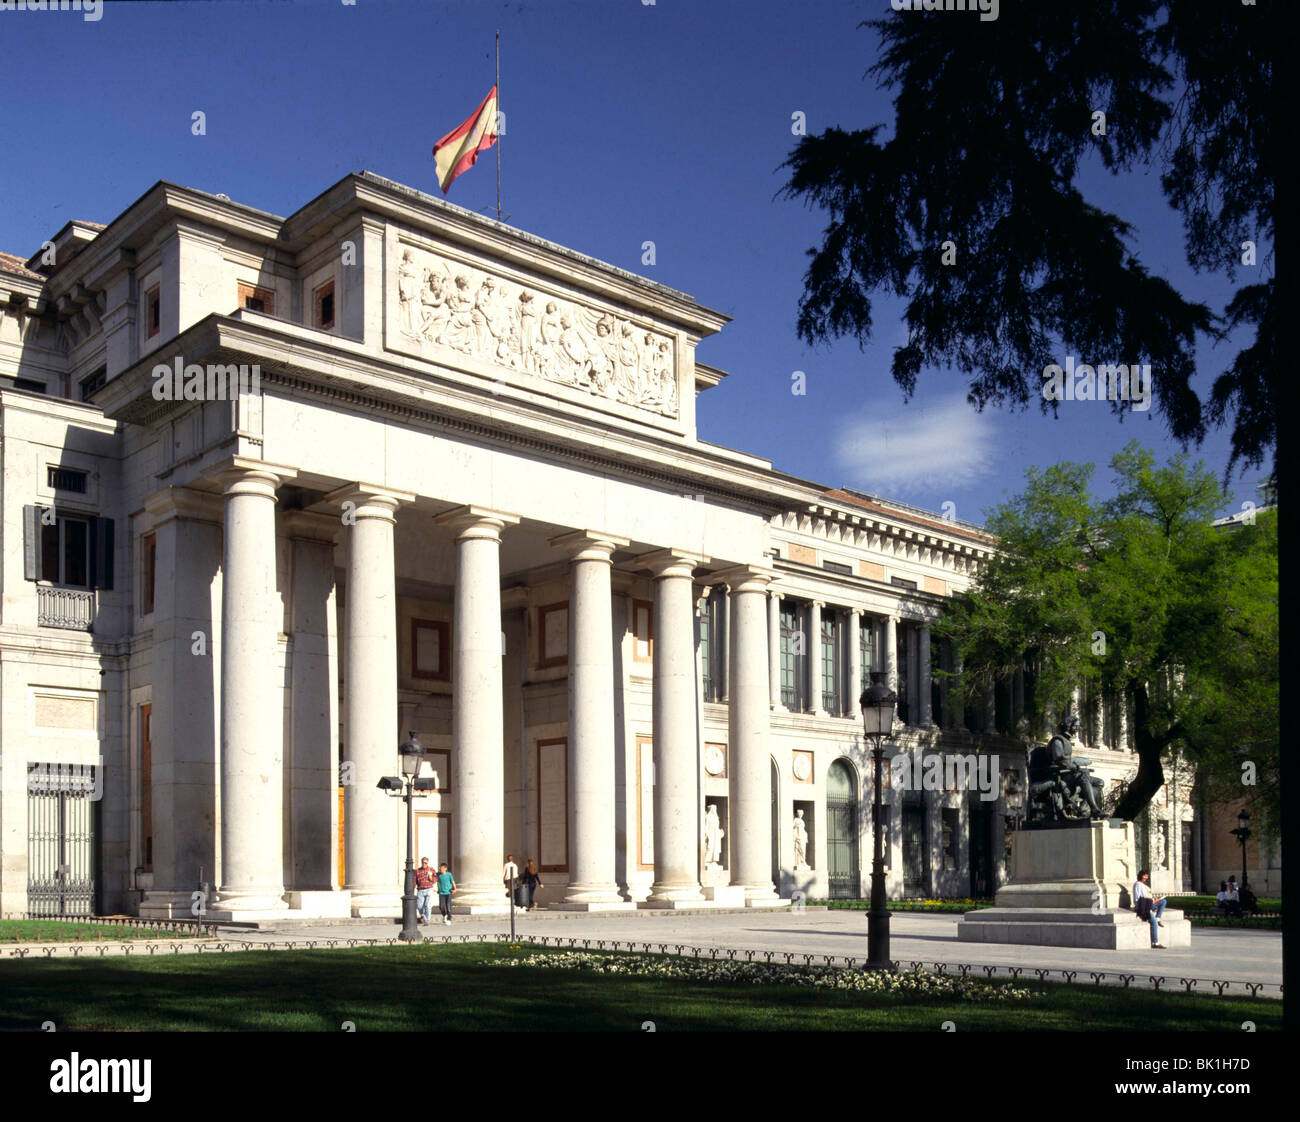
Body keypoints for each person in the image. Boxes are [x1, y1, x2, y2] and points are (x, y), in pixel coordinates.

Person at [1133, 869, 1166, 948]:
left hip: (1147, 904)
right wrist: (1153, 900)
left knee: (1163, 901)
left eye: (1147, 876)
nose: (1146, 877)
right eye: (1145, 875)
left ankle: (1158, 917)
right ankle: (1155, 942)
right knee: (1153, 922)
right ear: (1141, 875)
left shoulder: (1142, 885)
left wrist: (1155, 900)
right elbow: (1139, 898)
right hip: (1143, 907)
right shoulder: (1138, 884)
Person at [414, 856, 436, 925]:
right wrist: (413, 887)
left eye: (425, 863)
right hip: (420, 890)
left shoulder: (431, 869)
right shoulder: (417, 871)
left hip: (428, 889)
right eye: (423, 863)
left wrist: (431, 878)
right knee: (419, 905)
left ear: (427, 863)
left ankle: (426, 920)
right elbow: (415, 880)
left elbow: (435, 878)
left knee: (427, 905)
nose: (424, 864)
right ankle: (423, 916)